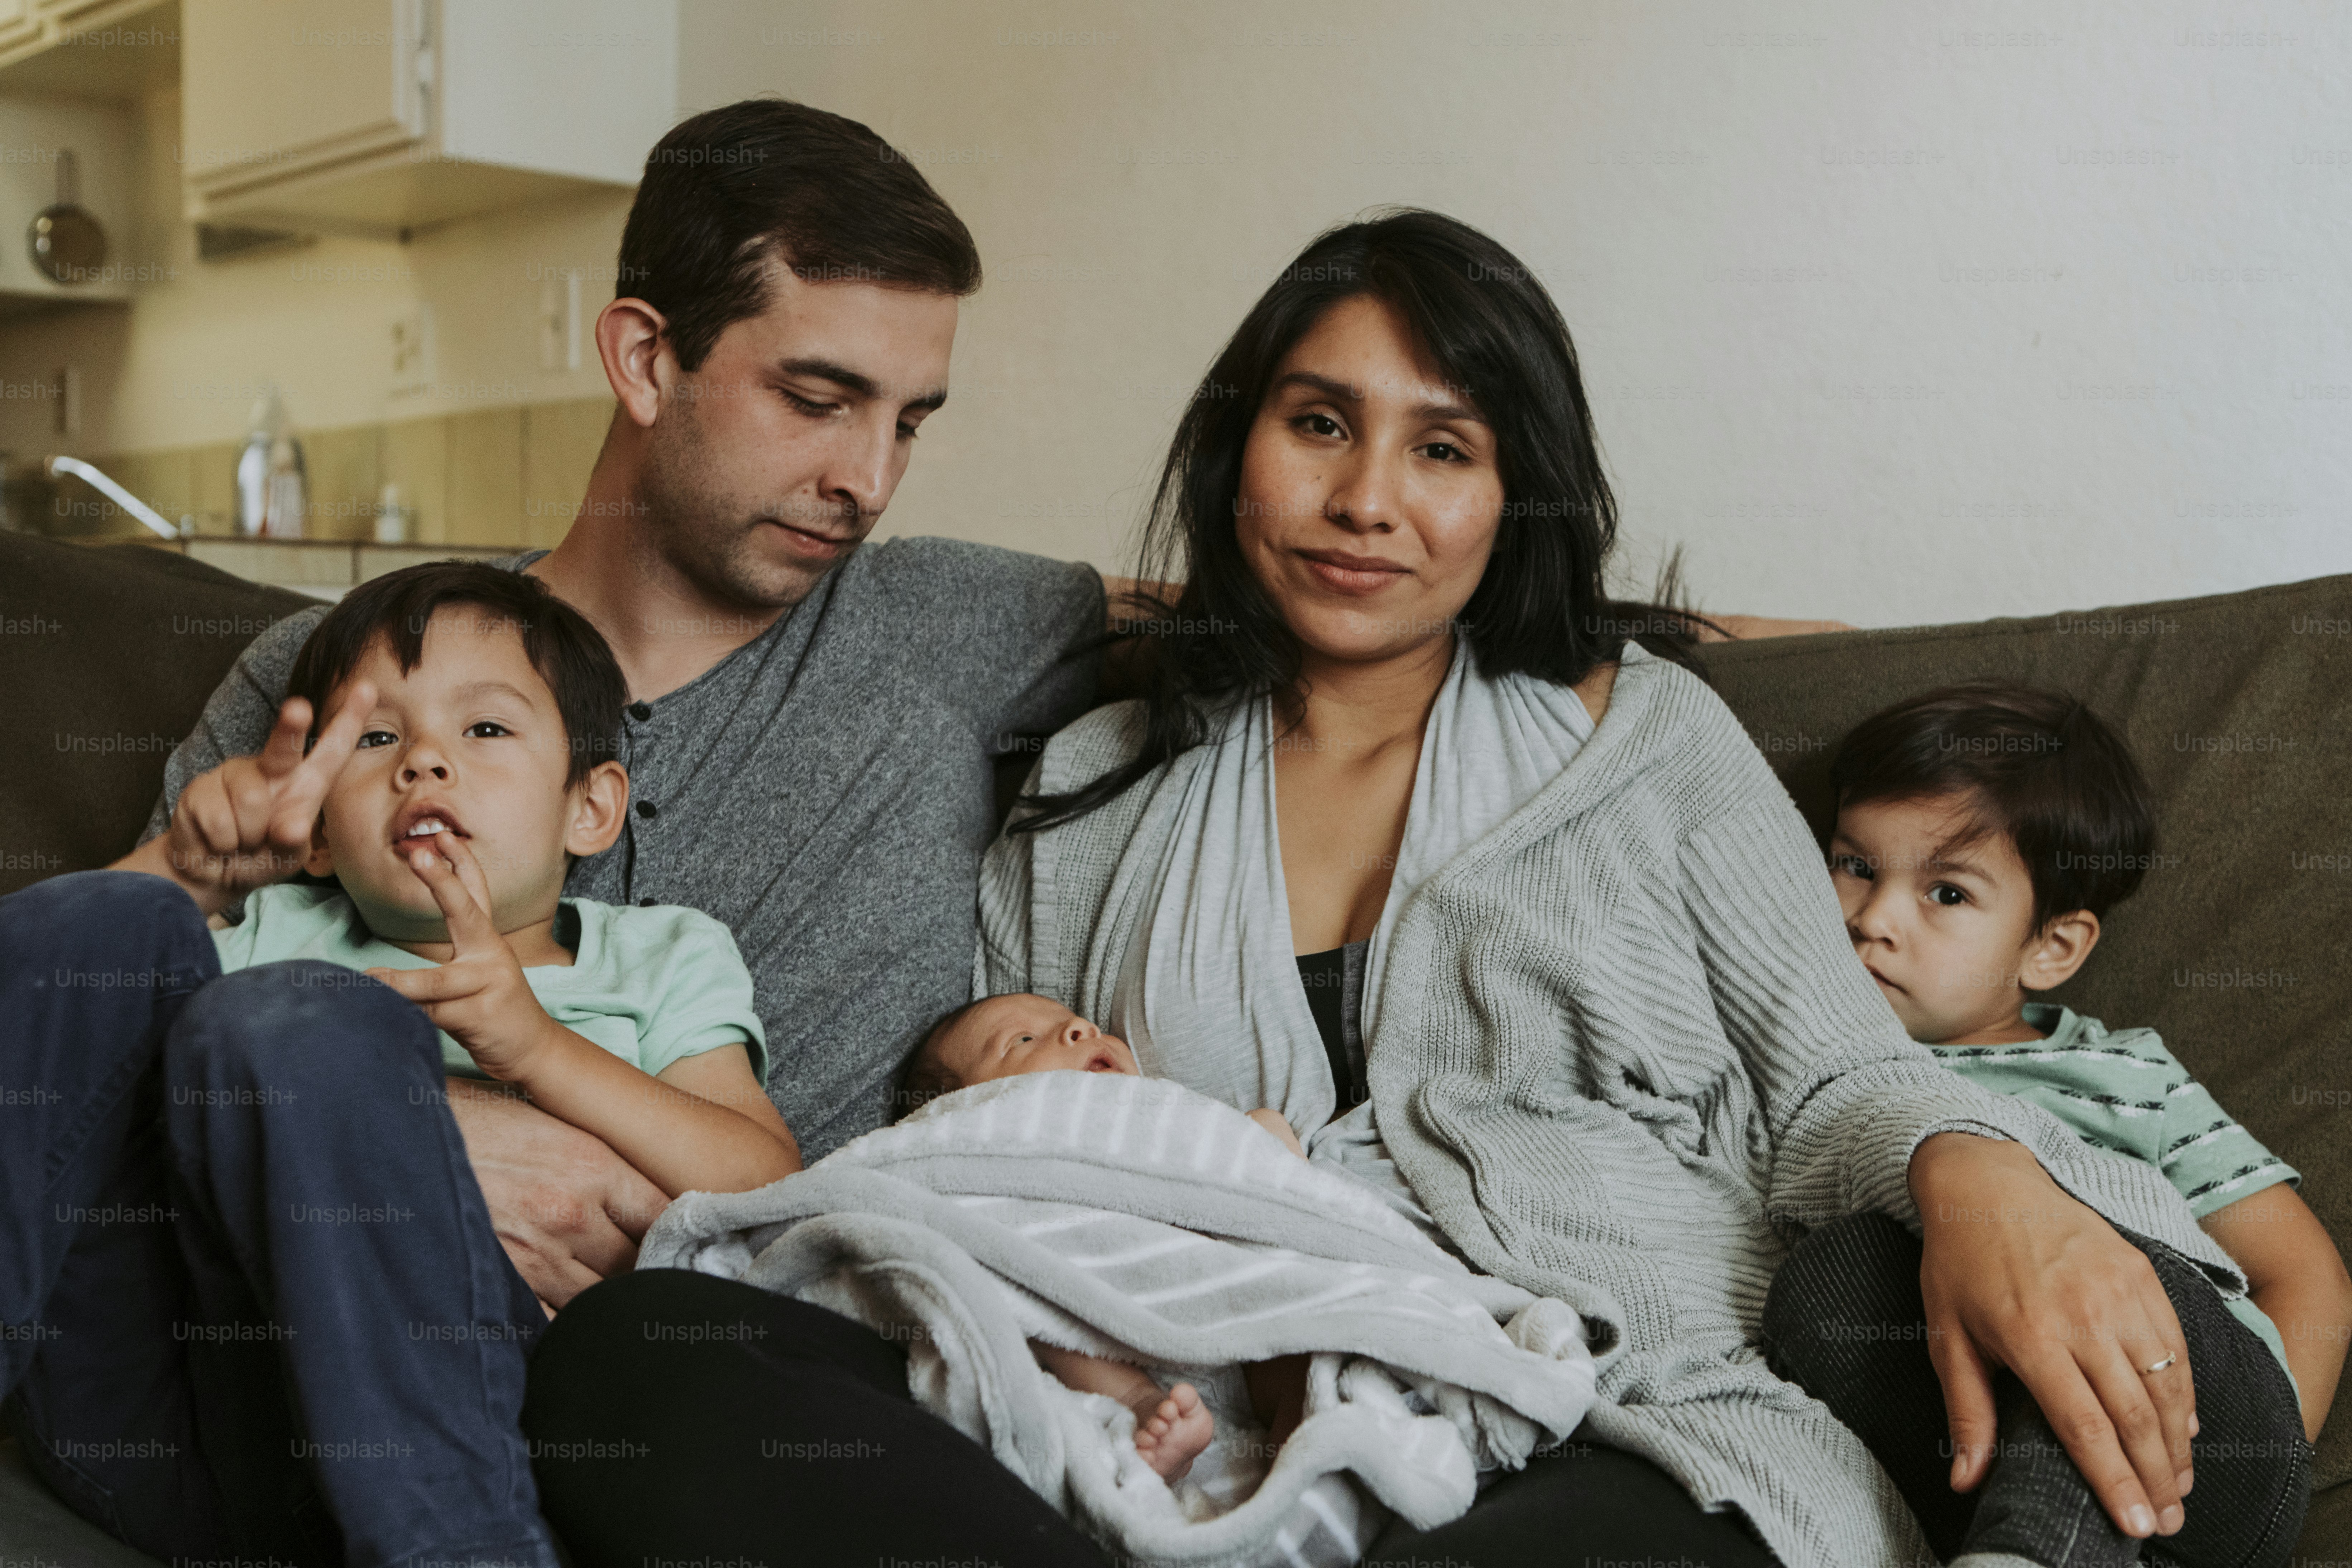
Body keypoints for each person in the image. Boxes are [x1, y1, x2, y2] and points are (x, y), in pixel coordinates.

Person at [516, 210, 2247, 1568]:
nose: (1364, 502)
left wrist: (1981, 1170)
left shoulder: (1642, 742)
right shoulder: (1087, 785)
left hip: (1619, 1411)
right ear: (1240, 446)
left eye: (1443, 447)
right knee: (638, 1356)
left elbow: (1833, 1080)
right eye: (1319, 424)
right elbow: (1002, 1159)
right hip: (1213, 1403)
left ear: (1515, 495)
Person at [0, 563, 787, 1564]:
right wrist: (181, 871)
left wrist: (538, 1051)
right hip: (186, 1422)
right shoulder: (270, 926)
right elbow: (50, 1038)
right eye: (377, 739)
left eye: (485, 730)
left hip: (473, 1428)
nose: (423, 763)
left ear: (590, 807)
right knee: (107, 918)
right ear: (322, 832)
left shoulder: (654, 954)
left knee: (305, 1017)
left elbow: (766, 1185)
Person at [1760, 682, 2346, 1567]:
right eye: (1854, 864)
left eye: (1947, 893)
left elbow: (2302, 1274)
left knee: (2121, 1265)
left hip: (2192, 1440)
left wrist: (2253, 1464)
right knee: (1829, 1273)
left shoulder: (2128, 1075)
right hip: (1962, 1456)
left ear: (2051, 947)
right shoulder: (1807, 1074)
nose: (1871, 920)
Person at [902, 990, 1312, 1481]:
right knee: (1018, 1281)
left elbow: (1282, 1210)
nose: (1080, 1028)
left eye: (1080, 1022)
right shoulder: (1005, 1175)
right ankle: (1140, 1407)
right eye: (1024, 1039)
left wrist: (1260, 1141)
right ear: (972, 1109)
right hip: (1109, 1328)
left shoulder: (1169, 1117)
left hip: (1237, 1322)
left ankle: (1300, 1472)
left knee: (1305, 1353)